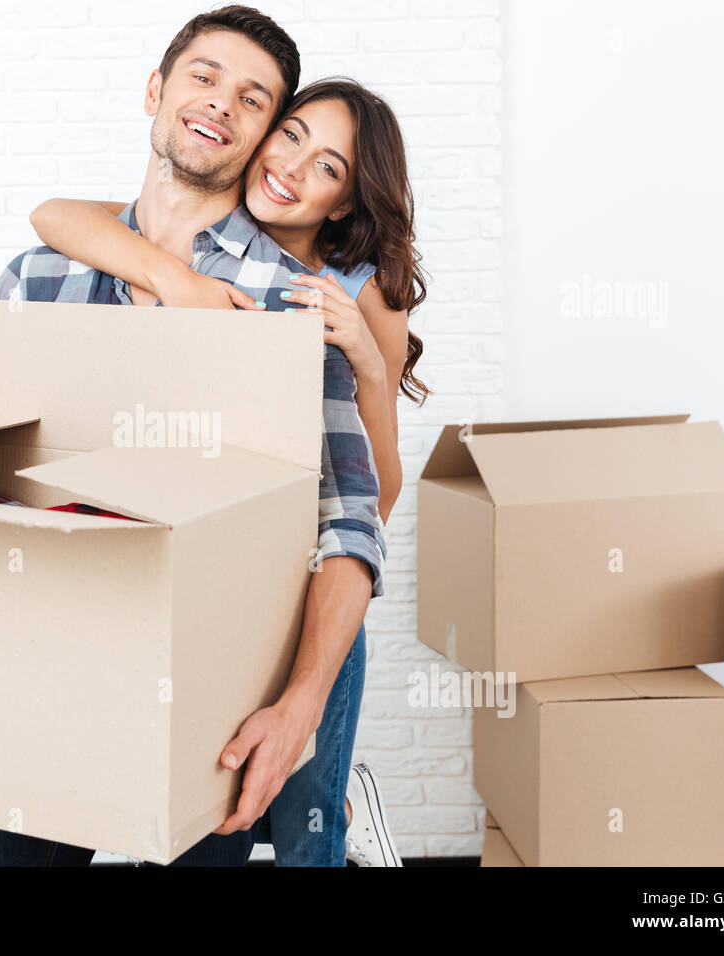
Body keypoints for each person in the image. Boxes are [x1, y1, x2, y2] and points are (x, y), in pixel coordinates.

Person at [0, 5, 393, 866]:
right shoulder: (39, 272)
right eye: (204, 77)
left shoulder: (292, 306)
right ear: (156, 90)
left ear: (259, 141)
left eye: (254, 100)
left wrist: (299, 711)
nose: (220, 105)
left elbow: (352, 520)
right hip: (36, 690)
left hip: (204, 709)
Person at [28, 77, 428, 866]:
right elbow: (53, 218)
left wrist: (369, 370)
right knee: (219, 802)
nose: (293, 166)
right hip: (214, 584)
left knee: (301, 829)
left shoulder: (360, 290)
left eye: (328, 167)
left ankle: (343, 815)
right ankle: (340, 797)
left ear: (345, 201)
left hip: (312, 587)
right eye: (291, 134)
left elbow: (372, 500)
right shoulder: (200, 241)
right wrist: (177, 282)